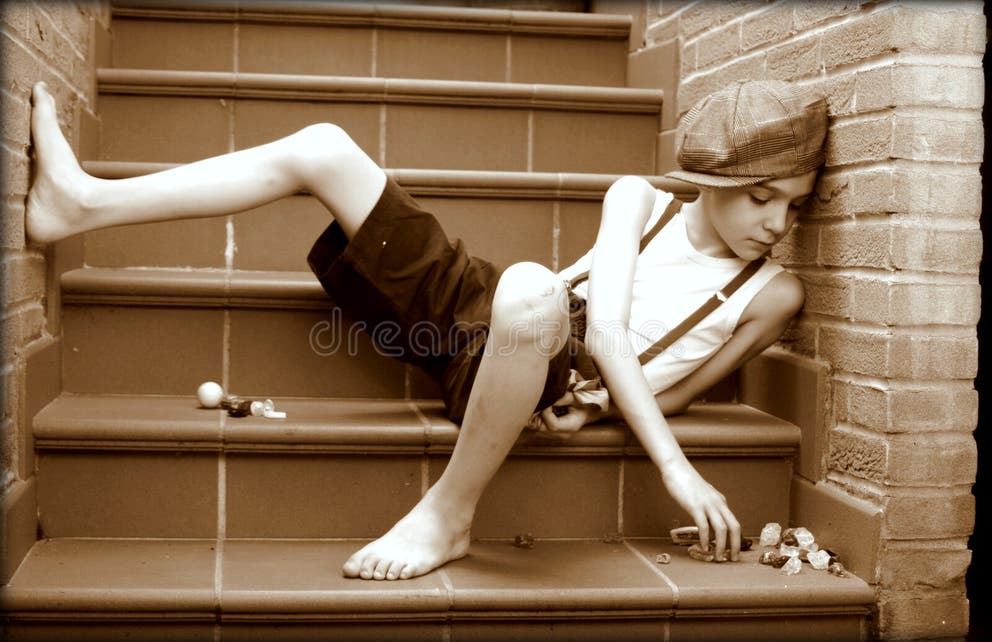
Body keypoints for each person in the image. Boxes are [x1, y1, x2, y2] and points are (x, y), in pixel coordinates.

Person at [24, 78, 828, 581]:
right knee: (325, 149)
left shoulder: (772, 293)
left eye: (793, 202)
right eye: (761, 195)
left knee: (531, 293)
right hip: (493, 314)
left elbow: (680, 381)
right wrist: (679, 472)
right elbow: (610, 322)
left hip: (541, 362)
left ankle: (448, 513)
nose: (775, 220)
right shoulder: (640, 201)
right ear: (711, 183)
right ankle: (84, 203)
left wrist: (610, 409)